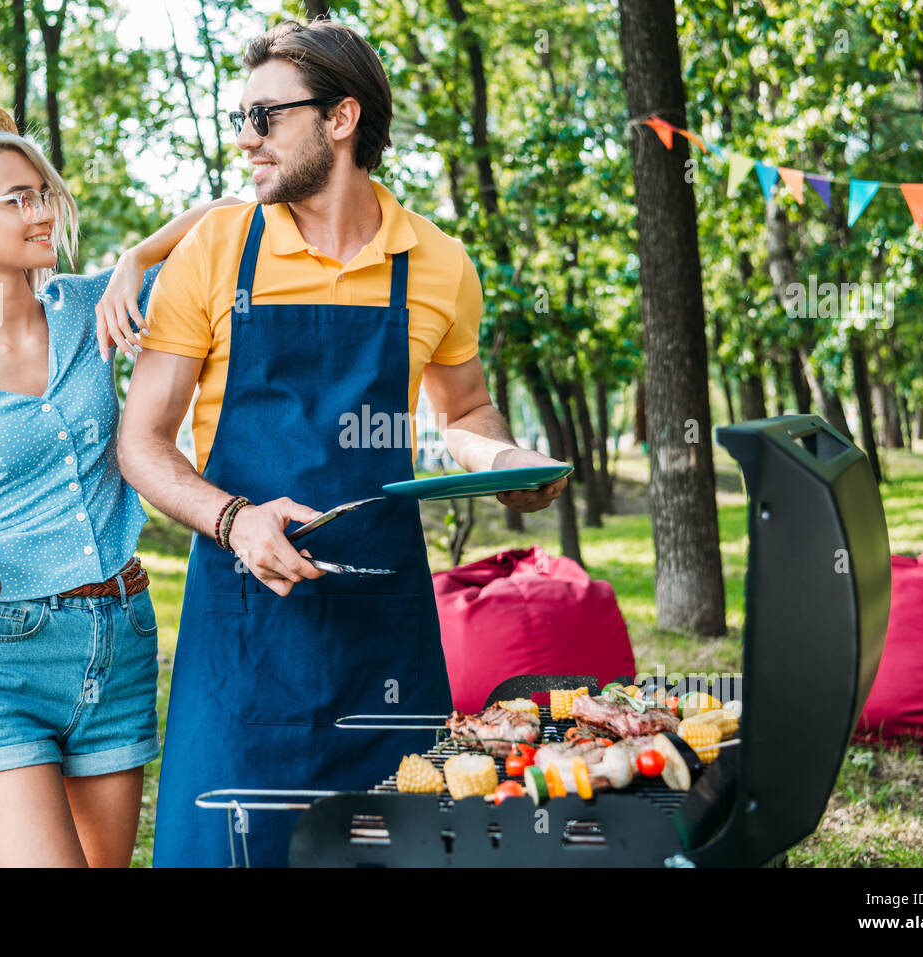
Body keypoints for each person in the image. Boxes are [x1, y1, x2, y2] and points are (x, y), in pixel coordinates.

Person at [118, 20, 568, 868]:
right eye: (239, 116)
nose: (243, 137)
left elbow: (465, 409)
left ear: (340, 118)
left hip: (382, 632)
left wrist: (507, 466)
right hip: (243, 628)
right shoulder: (215, 251)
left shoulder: (438, 263)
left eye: (265, 116)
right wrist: (234, 519)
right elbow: (140, 443)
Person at [0, 105, 240, 867]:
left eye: (42, 192)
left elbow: (232, 209)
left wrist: (138, 255)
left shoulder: (85, 308)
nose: (41, 211)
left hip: (122, 633)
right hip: (4, 657)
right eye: (16, 198)